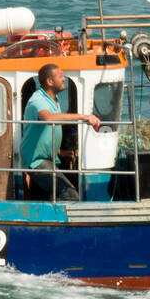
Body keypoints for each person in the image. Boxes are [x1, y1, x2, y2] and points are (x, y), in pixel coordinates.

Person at [22, 63, 101, 201]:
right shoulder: (38, 100)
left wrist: (60, 152)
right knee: (69, 194)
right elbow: (48, 119)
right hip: (36, 161)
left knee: (44, 198)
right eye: (60, 76)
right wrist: (83, 117)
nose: (64, 79)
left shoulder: (54, 100)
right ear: (50, 81)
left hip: (48, 158)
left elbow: (45, 134)